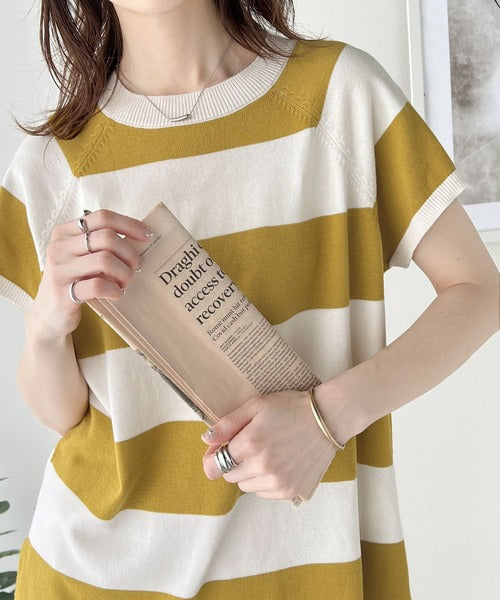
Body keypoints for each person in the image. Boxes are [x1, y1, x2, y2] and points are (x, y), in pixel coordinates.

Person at [0, 0, 498, 598]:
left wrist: (327, 419)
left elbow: (480, 291)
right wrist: (46, 327)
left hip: (310, 572)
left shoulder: (337, 97)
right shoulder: (51, 165)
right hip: (90, 578)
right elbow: (64, 416)